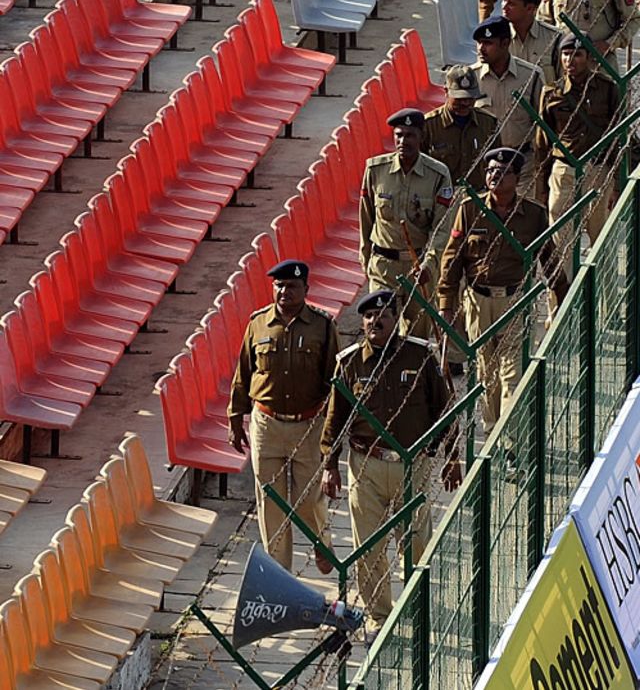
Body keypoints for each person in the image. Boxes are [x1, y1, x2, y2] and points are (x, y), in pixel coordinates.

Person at [320, 290, 461, 638]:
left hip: (412, 465)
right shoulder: (350, 363)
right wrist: (329, 464)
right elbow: (334, 419)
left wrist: (453, 456)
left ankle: (415, 608)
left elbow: (444, 408)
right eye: (368, 317)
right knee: (367, 547)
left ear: (395, 319)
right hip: (365, 465)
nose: (375, 322)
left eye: (382, 314)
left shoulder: (420, 356)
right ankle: (379, 619)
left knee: (414, 543)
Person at [437, 148, 568, 435]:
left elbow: (549, 256)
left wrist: (564, 295)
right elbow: (453, 257)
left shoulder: (532, 214)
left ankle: (508, 438)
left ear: (516, 178)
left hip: (514, 301)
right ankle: (491, 427)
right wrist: (446, 301)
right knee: (486, 372)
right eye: (490, 170)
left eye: (502, 171)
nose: (494, 175)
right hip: (478, 301)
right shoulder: (470, 209)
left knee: (512, 371)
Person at [227, 259, 340, 574]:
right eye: (279, 286)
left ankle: (321, 541)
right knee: (270, 501)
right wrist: (236, 416)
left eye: (291, 286)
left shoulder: (323, 326)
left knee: (308, 497)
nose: (284, 292)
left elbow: (336, 381)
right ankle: (280, 574)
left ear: (306, 289)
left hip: (308, 424)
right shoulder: (258, 324)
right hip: (267, 423)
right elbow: (244, 372)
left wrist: (335, 430)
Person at [422, 65, 500, 373]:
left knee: (477, 278)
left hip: (480, 211)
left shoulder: (488, 125)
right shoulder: (430, 127)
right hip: (445, 213)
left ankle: (473, 345)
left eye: (470, 98)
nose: (465, 104)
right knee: (447, 282)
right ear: (446, 94)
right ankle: (451, 352)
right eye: (459, 98)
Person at [359, 108, 454, 336]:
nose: (403, 141)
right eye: (398, 135)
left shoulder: (438, 174)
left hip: (418, 266)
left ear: (421, 136)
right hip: (383, 266)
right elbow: (366, 217)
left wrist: (429, 264)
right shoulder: (375, 170)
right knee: (380, 331)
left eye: (410, 135)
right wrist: (365, 256)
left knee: (416, 335)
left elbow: (441, 228)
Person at [535, 33, 621, 279]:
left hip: (598, 171)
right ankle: (562, 309)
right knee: (560, 247)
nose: (570, 60)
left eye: (577, 54)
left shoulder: (607, 88)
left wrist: (615, 182)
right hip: (564, 172)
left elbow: (617, 136)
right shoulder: (552, 92)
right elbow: (543, 142)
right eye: (565, 54)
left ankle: (605, 310)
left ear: (589, 58)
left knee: (601, 244)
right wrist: (542, 187)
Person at [471, 17, 543, 190]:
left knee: (520, 213)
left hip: (521, 164)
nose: (481, 48)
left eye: (488, 43)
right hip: (484, 165)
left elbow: (542, 122)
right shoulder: (472, 77)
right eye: (479, 43)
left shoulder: (531, 76)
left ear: (505, 43)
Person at [501, 0, 559, 83]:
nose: (504, 6)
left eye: (511, 4)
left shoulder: (554, 38)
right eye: (504, 0)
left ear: (529, 8)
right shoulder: (498, 39)